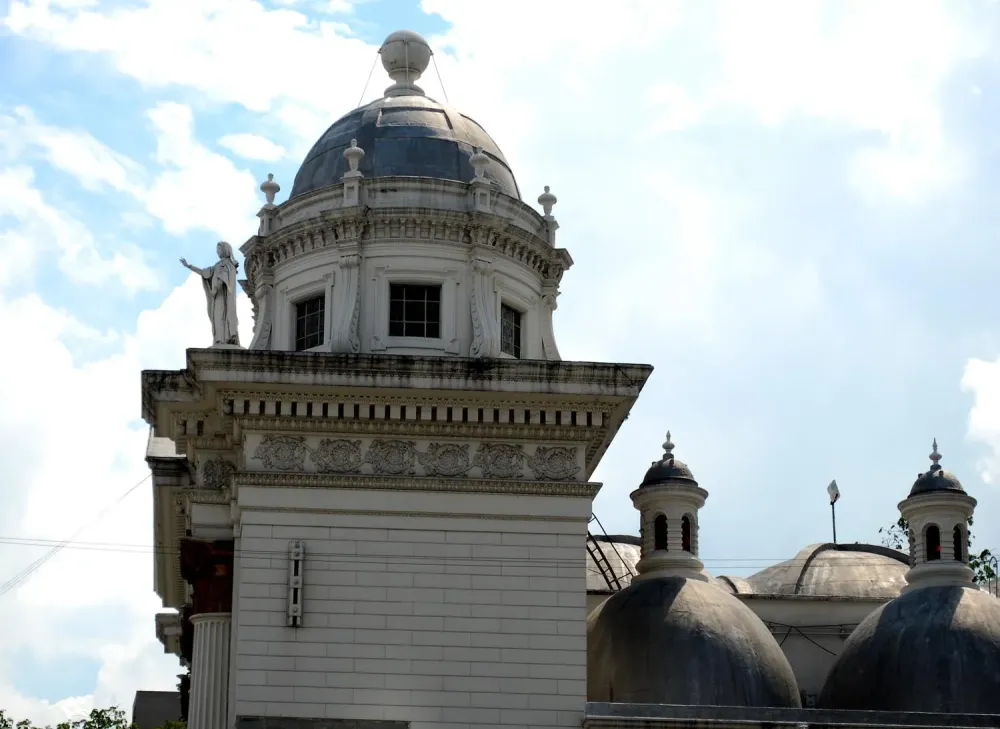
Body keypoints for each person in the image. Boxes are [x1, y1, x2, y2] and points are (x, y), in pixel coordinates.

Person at [180, 241, 240, 347]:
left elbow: (223, 278)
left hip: (223, 297)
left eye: (219, 249)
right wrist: (189, 266)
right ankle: (219, 340)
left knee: (221, 316)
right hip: (217, 297)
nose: (217, 252)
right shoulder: (217, 265)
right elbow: (204, 272)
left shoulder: (228, 263)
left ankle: (225, 339)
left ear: (225, 250)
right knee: (217, 317)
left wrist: (215, 289)